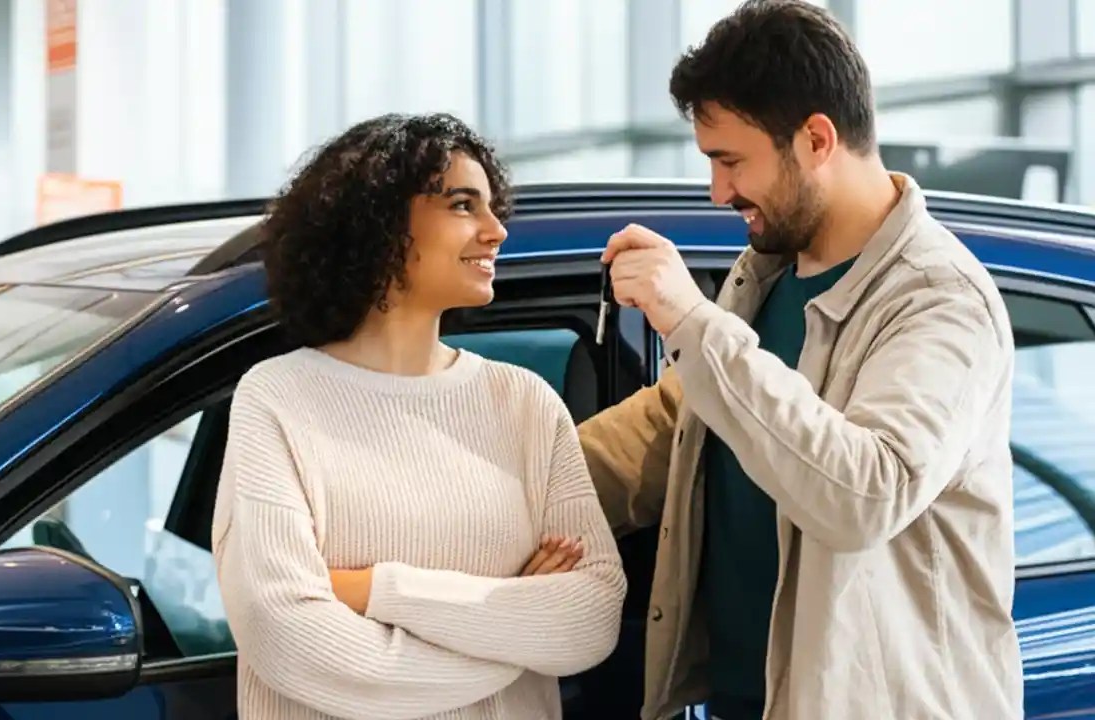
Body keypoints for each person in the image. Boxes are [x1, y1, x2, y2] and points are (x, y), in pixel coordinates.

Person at [578, 2, 1022, 719]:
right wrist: (510, 491)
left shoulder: (940, 299)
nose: (719, 192)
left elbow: (866, 495)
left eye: (730, 161)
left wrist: (690, 319)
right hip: (748, 700)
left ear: (817, 138)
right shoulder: (769, 270)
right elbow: (682, 421)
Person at [210, 112, 627, 720]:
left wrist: (375, 589)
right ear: (377, 222)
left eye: (492, 208)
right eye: (462, 205)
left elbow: (590, 620)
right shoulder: (279, 398)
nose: (496, 231)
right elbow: (287, 637)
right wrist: (516, 629)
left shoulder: (524, 403)